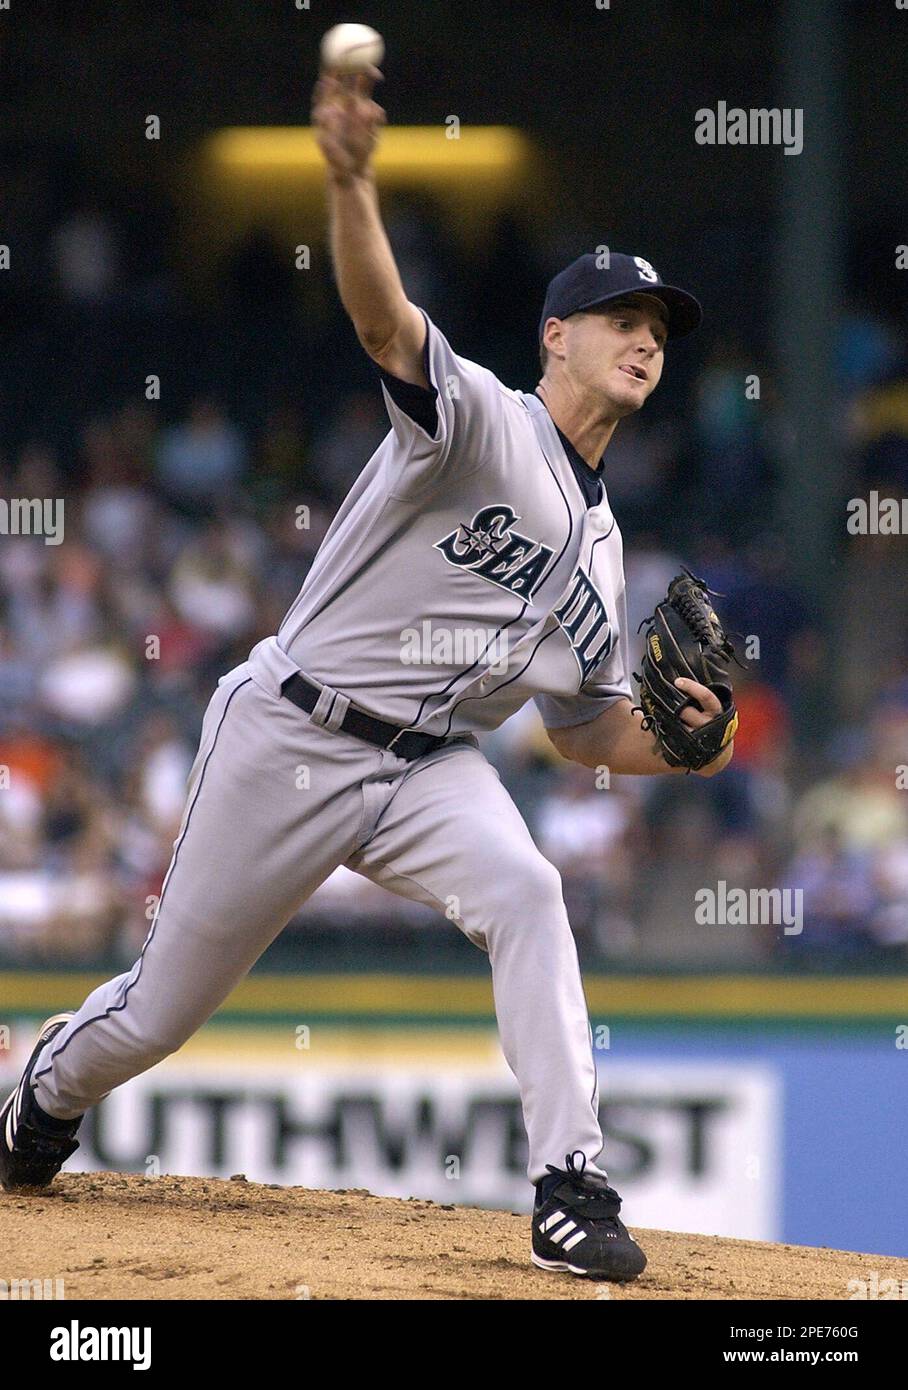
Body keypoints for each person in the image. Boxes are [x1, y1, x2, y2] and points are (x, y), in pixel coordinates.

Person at [0, 65, 733, 1284]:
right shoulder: (484, 420)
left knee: (529, 891)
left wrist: (685, 744)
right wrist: (348, 183)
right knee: (158, 1014)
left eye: (658, 333)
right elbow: (385, 321)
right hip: (291, 735)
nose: (645, 343)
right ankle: (38, 1093)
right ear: (555, 334)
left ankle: (567, 1185)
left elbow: (586, 729)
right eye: (622, 320)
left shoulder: (603, 552)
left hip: (428, 769)